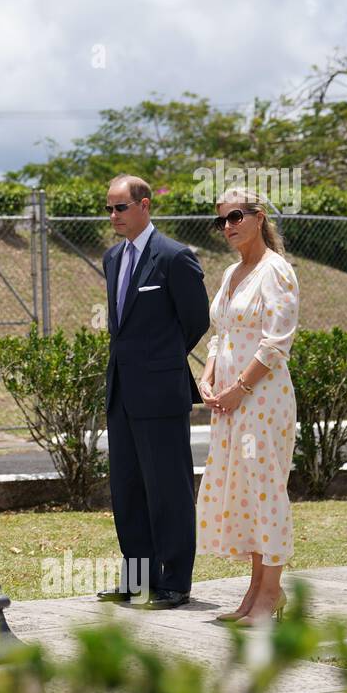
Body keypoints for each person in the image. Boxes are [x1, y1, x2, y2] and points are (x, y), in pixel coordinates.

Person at [96, 176, 210, 609]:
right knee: (128, 488)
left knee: (168, 489)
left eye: (120, 208)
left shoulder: (175, 257)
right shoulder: (112, 258)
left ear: (144, 206)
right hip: (122, 392)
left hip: (161, 392)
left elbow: (195, 320)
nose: (113, 216)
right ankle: (138, 580)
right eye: (108, 209)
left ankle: (175, 582)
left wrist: (160, 361)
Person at [197, 187, 299, 624]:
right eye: (221, 220)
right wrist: (207, 372)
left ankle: (270, 592)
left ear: (259, 218)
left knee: (266, 492)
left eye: (236, 216)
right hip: (230, 402)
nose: (228, 226)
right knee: (244, 492)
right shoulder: (231, 272)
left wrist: (239, 386)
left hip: (263, 400)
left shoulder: (277, 271)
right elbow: (221, 332)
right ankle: (254, 593)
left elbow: (277, 342)